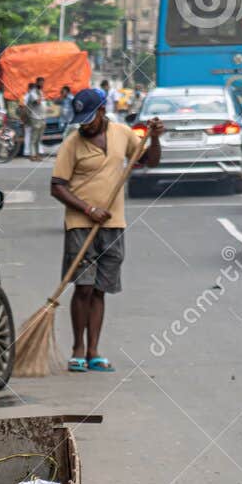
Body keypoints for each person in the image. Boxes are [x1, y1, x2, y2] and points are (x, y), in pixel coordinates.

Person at [50, 87, 162, 372]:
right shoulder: (72, 144)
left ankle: (93, 352)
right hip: (81, 224)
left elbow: (149, 160)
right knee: (84, 287)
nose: (85, 124)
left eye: (89, 117)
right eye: (81, 120)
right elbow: (57, 186)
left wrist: (156, 138)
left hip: (113, 224)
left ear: (102, 111)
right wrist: (88, 210)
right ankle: (77, 350)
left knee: (100, 290)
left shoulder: (122, 134)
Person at [22, 77, 47, 160]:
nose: (42, 84)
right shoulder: (33, 92)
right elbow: (38, 101)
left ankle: (37, 155)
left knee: (39, 138)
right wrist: (42, 97)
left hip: (42, 118)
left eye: (43, 83)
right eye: (41, 83)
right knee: (34, 138)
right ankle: (32, 155)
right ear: (37, 83)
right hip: (35, 118)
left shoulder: (40, 92)